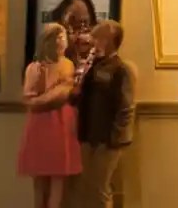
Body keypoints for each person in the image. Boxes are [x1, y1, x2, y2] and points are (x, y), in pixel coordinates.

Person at [69, 20, 135, 208]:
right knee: (85, 187)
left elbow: (126, 107)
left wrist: (115, 137)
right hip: (88, 135)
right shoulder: (92, 65)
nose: (93, 43)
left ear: (109, 41)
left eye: (98, 39)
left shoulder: (121, 69)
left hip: (107, 140)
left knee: (100, 188)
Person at [17, 23, 82, 208]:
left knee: (58, 175)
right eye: (58, 37)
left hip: (61, 121)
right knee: (40, 176)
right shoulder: (34, 68)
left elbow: (66, 91)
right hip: (41, 123)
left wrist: (56, 94)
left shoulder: (67, 64)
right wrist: (46, 97)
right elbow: (29, 98)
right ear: (47, 41)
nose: (62, 41)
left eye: (63, 37)